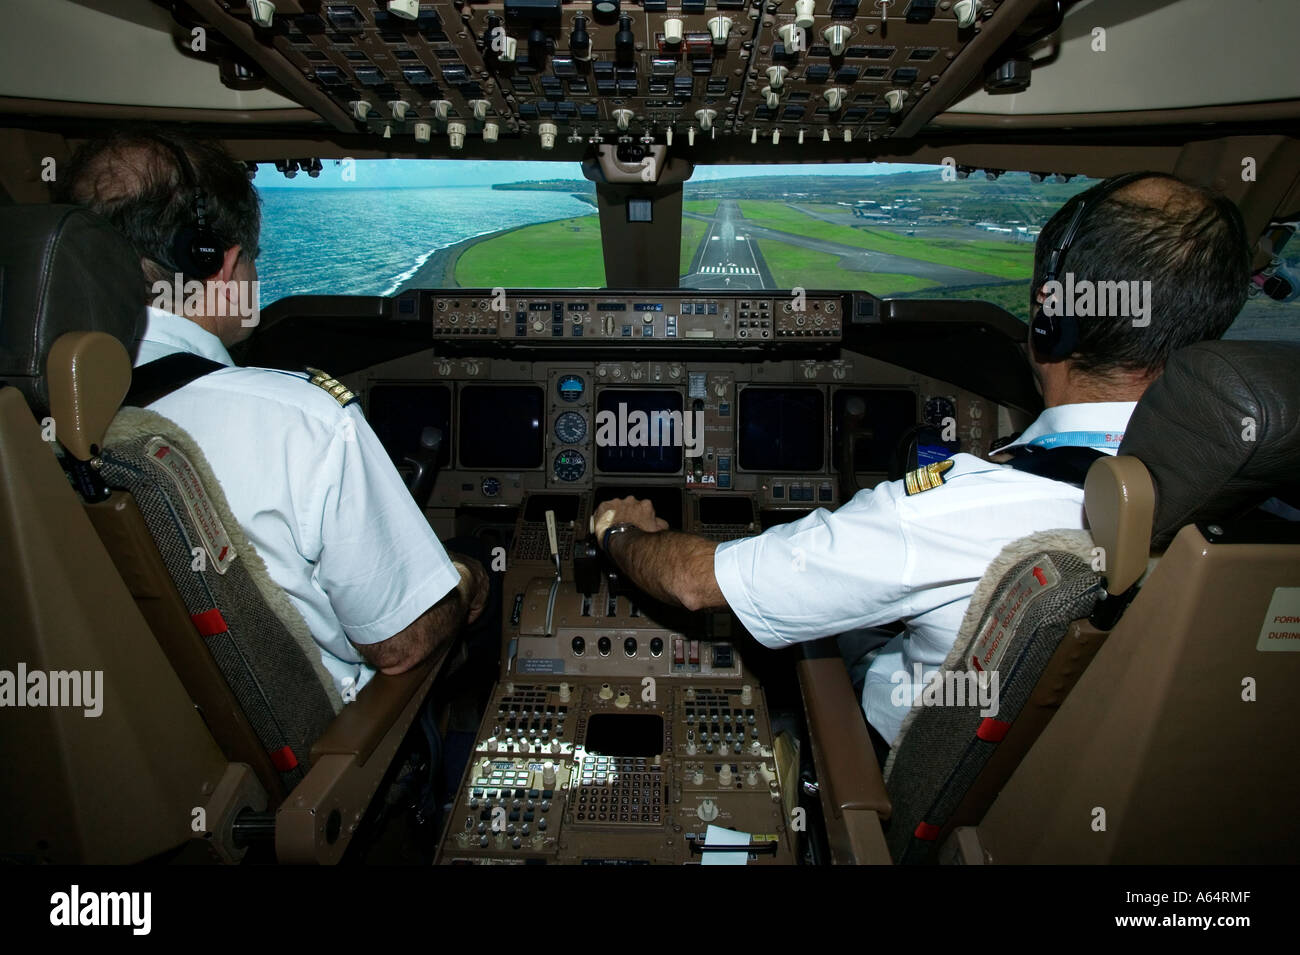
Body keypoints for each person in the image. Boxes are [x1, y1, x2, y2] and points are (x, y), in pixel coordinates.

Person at [589, 171, 1252, 751]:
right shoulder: (1239, 488)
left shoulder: (960, 508)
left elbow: (696, 584)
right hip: (1049, 771)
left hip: (892, 759)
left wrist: (620, 532)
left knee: (816, 638)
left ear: (1052, 319)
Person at [57, 128, 488, 700]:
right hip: (325, 740)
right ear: (223, 263)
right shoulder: (303, 421)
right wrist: (467, 576)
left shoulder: (34, 411)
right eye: (253, 259)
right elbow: (404, 644)